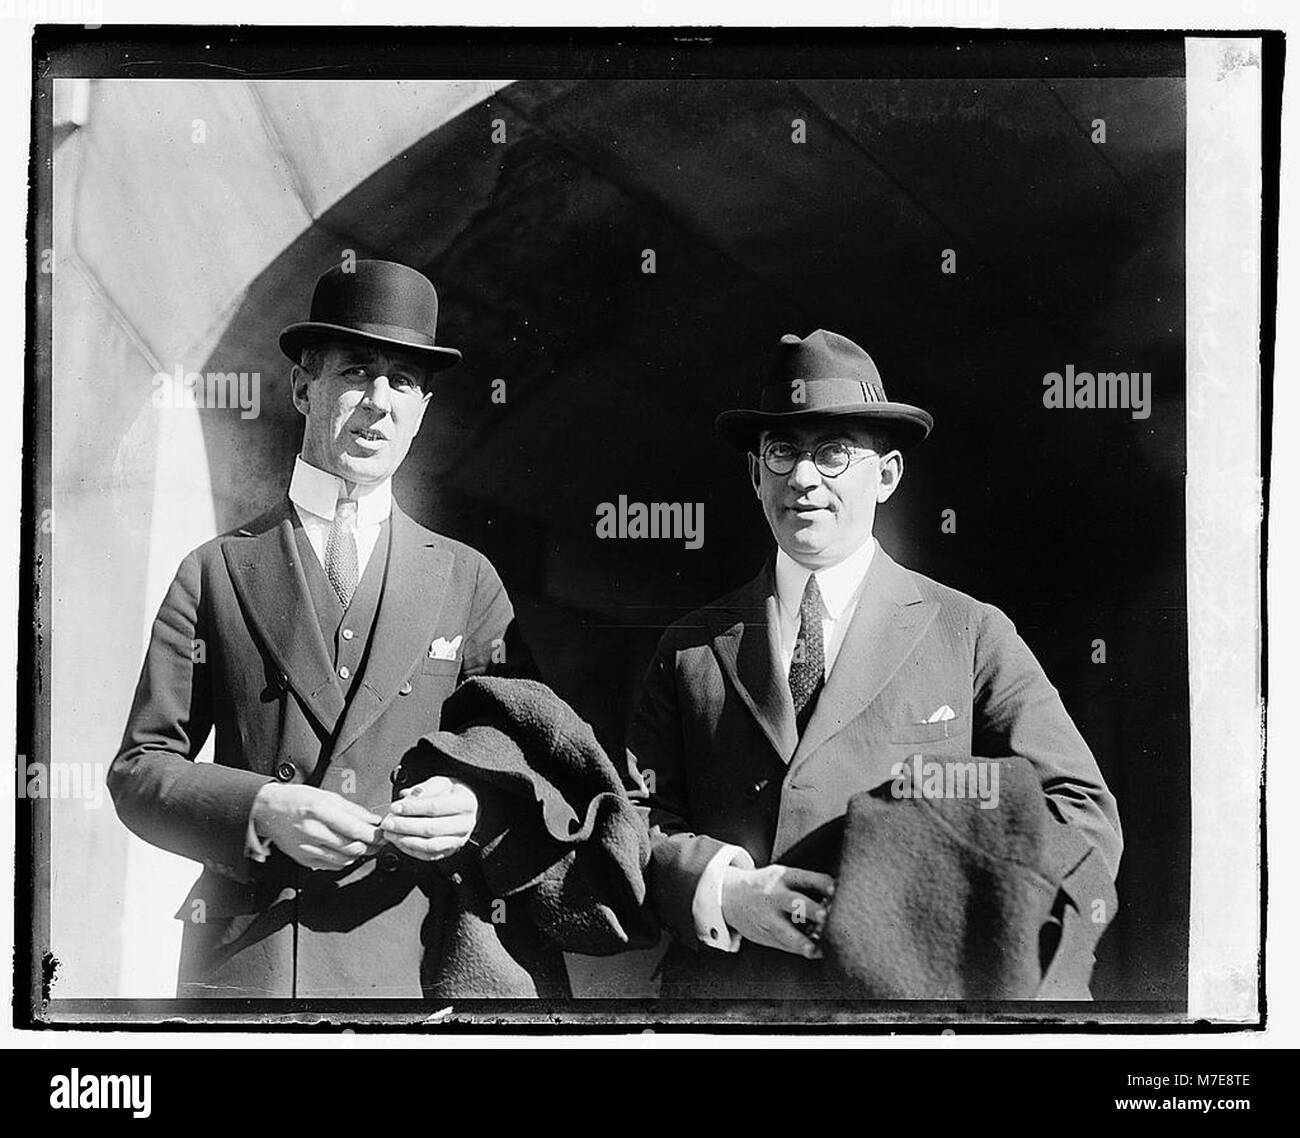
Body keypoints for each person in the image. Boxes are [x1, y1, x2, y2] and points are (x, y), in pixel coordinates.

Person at [624, 329, 1123, 999]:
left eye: (833, 453)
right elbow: (633, 820)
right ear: (755, 474)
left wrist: (939, 916)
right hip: (729, 1008)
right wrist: (729, 890)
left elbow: (1081, 817)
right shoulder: (690, 647)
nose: (803, 478)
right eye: (781, 452)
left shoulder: (969, 632)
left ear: (886, 476)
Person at [108, 259, 539, 998]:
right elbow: (140, 769)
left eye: (403, 381)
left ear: (423, 409)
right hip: (251, 965)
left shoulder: (468, 580)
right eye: (357, 373)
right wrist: (260, 807)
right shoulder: (213, 570)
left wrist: (474, 805)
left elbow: (526, 759)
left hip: (411, 966)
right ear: (305, 388)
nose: (378, 403)